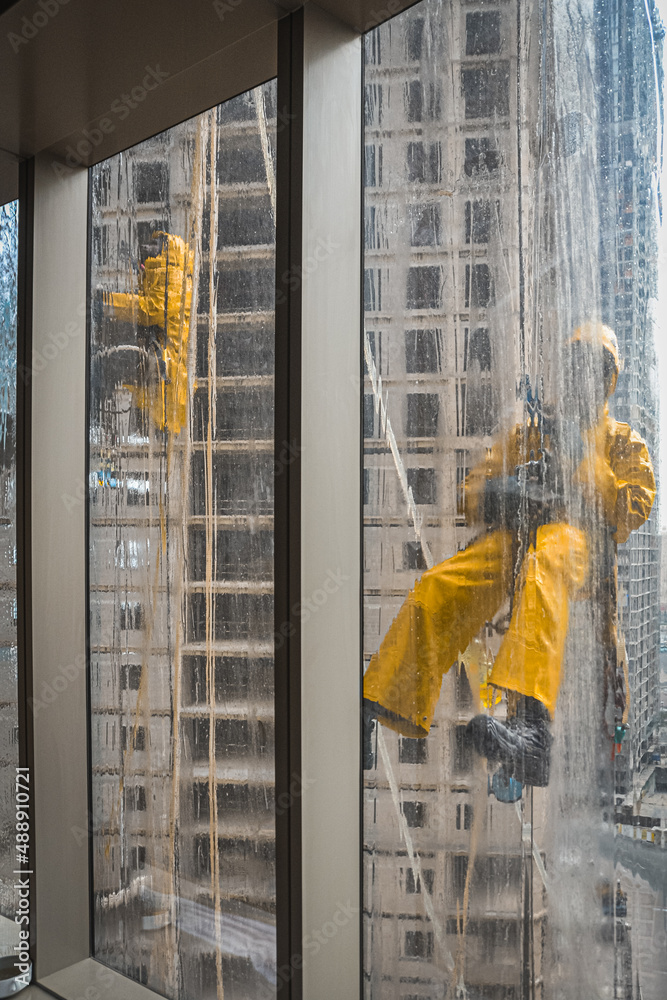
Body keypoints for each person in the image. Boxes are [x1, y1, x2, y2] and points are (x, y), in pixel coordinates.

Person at [363, 323, 655, 786]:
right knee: (446, 583)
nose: (583, 379)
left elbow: (630, 509)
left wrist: (581, 457)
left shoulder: (622, 442)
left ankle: (532, 727)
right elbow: (473, 492)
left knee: (546, 563)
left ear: (607, 380)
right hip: (521, 534)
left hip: (580, 544)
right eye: (577, 367)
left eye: (594, 370)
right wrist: (502, 493)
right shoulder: (532, 431)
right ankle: (388, 695)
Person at [97, 231, 193, 435]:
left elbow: (149, 310)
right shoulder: (165, 272)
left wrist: (107, 302)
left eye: (153, 245)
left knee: (107, 369)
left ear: (166, 251)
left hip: (163, 368)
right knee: (108, 369)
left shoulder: (175, 276)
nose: (146, 247)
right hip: (157, 358)